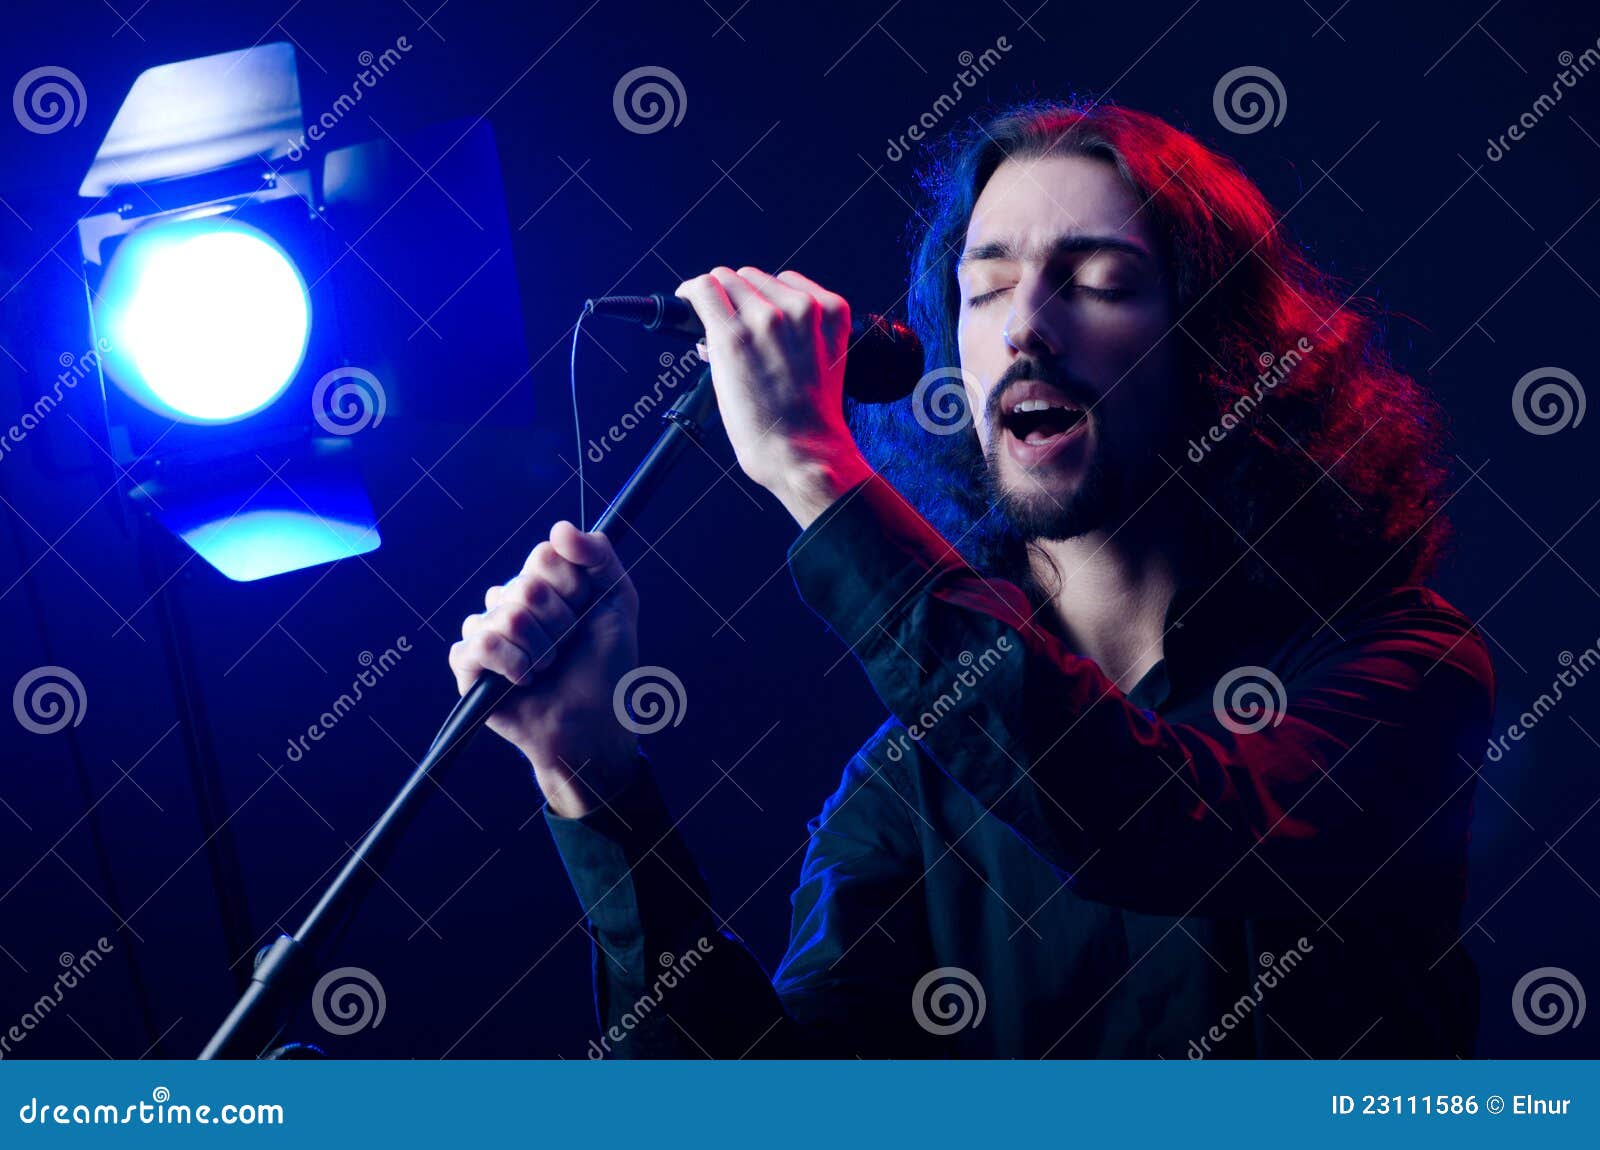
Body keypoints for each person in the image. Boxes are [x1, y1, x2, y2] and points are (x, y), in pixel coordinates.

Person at [448, 101, 1494, 1058]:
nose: (1024, 326)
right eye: (985, 287)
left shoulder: (1400, 664)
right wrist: (591, 775)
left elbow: (1170, 826)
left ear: (1216, 346)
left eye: (1096, 282)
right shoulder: (916, 778)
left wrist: (815, 472)